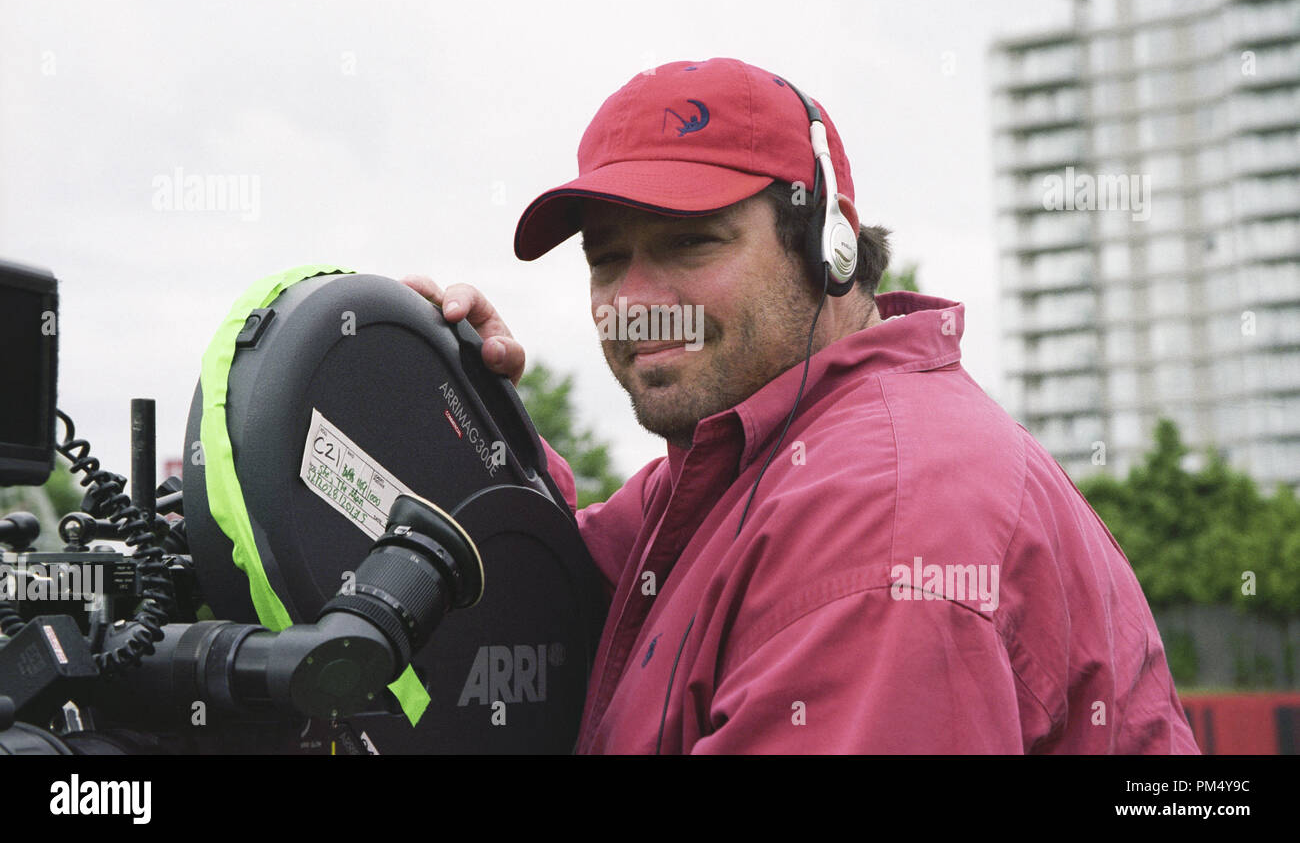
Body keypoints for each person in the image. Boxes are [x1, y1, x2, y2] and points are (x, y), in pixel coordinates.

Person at [402, 56, 1200, 754]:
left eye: (691, 241)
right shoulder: (743, 463)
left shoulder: (879, 513)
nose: (635, 303)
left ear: (831, 243)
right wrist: (474, 420)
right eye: (608, 259)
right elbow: (550, 589)